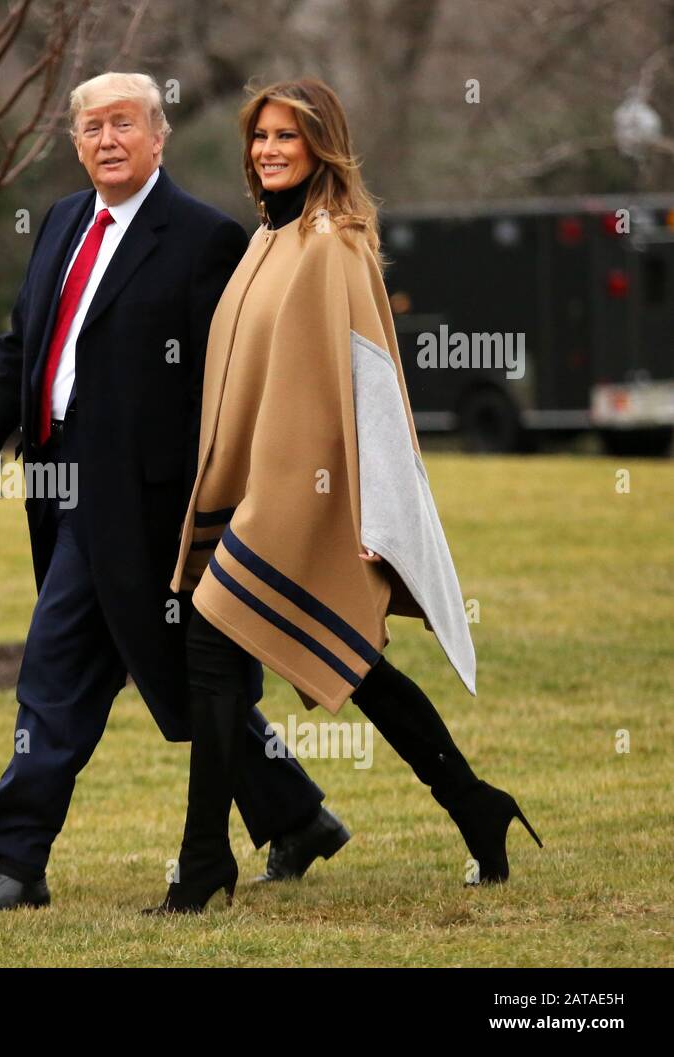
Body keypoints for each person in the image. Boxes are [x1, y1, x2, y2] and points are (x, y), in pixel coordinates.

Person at [0, 72, 349, 913]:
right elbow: (22, 348)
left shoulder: (202, 239)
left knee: (55, 672)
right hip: (61, 487)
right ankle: (297, 817)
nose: (107, 139)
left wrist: (229, 505)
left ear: (159, 137)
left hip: (157, 508)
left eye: (124, 123)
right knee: (176, 680)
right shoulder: (58, 223)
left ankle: (18, 863)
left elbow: (229, 384)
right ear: (76, 144)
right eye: (90, 127)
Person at [145, 77, 542, 915]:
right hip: (254, 488)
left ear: (321, 144)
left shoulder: (333, 242)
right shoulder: (267, 239)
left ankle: (203, 862)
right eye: (260, 137)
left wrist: (379, 515)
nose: (269, 150)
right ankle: (476, 807)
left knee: (217, 651)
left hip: (307, 500)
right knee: (356, 664)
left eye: (287, 137)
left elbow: (372, 387)